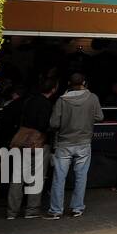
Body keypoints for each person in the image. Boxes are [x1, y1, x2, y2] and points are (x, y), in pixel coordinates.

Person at [47, 73, 103, 219]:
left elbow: (53, 123)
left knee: (59, 178)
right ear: (84, 82)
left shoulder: (61, 100)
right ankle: (77, 208)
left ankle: (56, 210)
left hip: (64, 143)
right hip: (84, 142)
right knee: (81, 177)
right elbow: (99, 117)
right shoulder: (93, 98)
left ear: (68, 83)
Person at [7, 79, 53, 219]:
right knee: (36, 177)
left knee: (17, 177)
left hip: (21, 141)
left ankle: (12, 212)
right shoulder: (47, 104)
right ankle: (32, 210)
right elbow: (43, 124)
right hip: (37, 143)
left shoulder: (27, 101)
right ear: (53, 89)